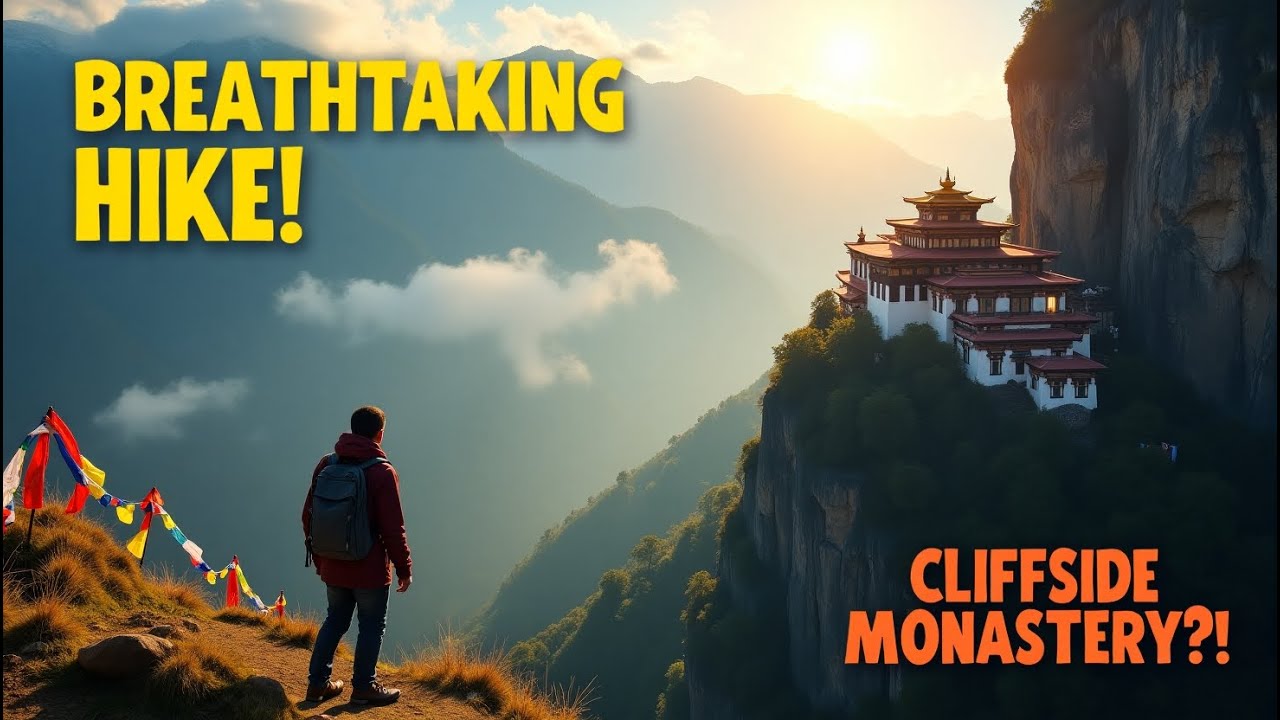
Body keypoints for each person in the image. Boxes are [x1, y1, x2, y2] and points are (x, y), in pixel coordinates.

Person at [303, 406, 412, 706]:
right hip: (370, 569)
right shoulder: (382, 472)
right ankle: (364, 686)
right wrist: (404, 568)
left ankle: (317, 685)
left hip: (333, 564)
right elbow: (393, 529)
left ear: (351, 430)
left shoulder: (327, 464)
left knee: (335, 620)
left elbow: (308, 515)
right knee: (372, 625)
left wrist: (321, 557)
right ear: (380, 433)